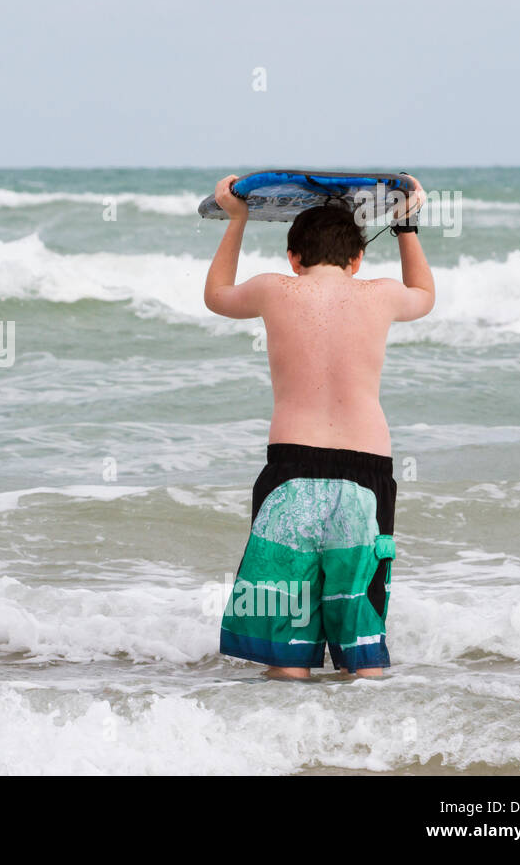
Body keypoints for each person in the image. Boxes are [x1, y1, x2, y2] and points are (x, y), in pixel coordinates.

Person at [204, 175, 433, 678]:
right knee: (361, 635)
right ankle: (363, 747)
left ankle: (295, 747)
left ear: (292, 257)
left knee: (286, 648)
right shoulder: (383, 295)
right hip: (366, 474)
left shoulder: (272, 289)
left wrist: (237, 218)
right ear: (357, 260)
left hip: (291, 469)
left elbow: (217, 295)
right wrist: (405, 224)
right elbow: (424, 293)